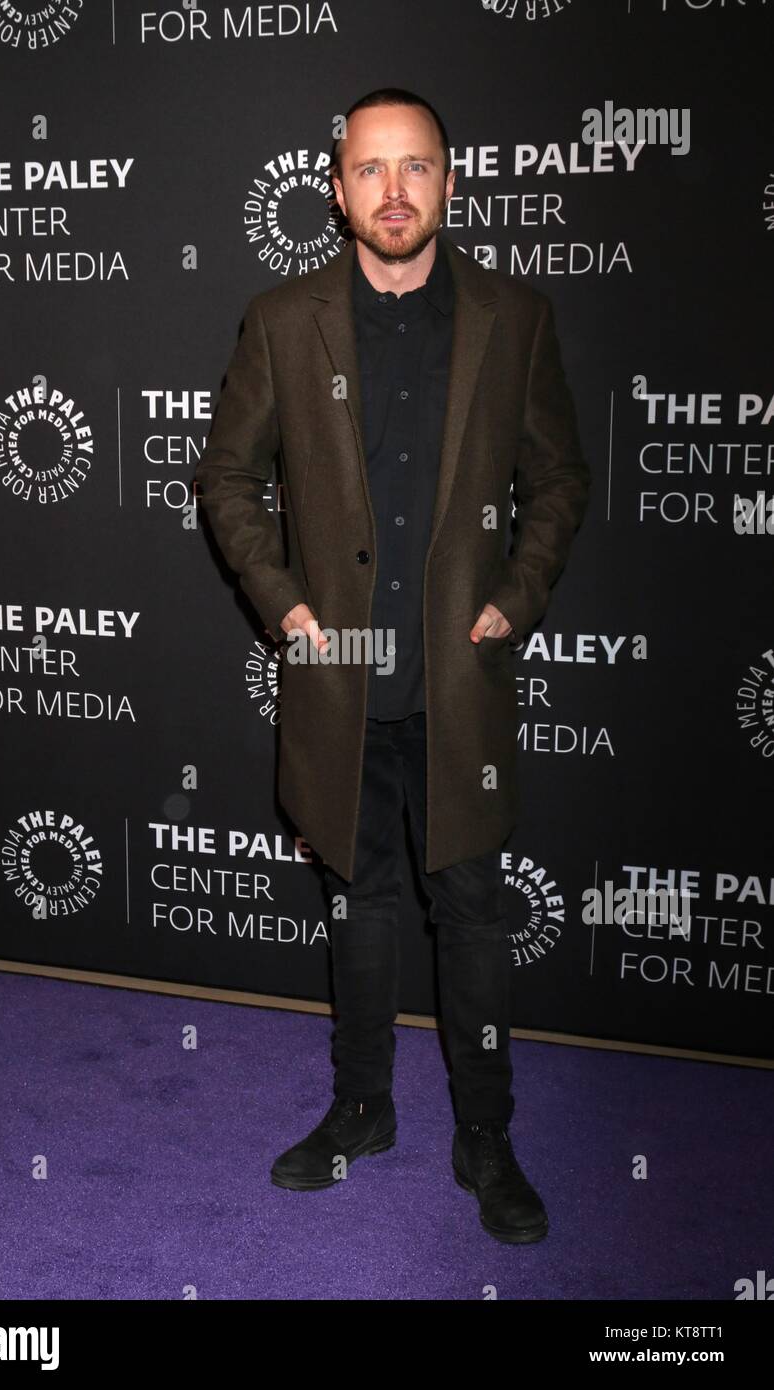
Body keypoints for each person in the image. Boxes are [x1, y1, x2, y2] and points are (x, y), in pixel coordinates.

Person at [195, 88, 590, 1243]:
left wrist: (512, 600)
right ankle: (361, 1109)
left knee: (471, 917)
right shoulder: (282, 320)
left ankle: (487, 1136)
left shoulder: (511, 317)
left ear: (449, 183)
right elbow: (225, 480)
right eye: (370, 170)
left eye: (415, 167)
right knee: (359, 911)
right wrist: (286, 606)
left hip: (456, 687)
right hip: (341, 685)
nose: (393, 191)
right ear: (336, 190)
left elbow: (559, 479)